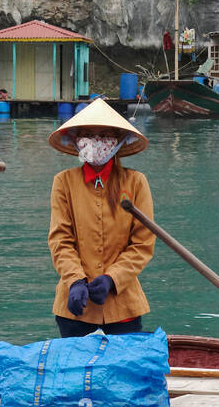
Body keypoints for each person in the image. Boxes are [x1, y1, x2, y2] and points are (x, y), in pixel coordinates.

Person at [46, 97, 155, 337]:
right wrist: (75, 281)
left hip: (123, 305)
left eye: (104, 135)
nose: (97, 142)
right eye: (88, 135)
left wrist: (112, 279)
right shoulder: (63, 182)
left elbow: (142, 245)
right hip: (75, 306)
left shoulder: (136, 182)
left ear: (117, 140)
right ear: (77, 140)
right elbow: (60, 240)